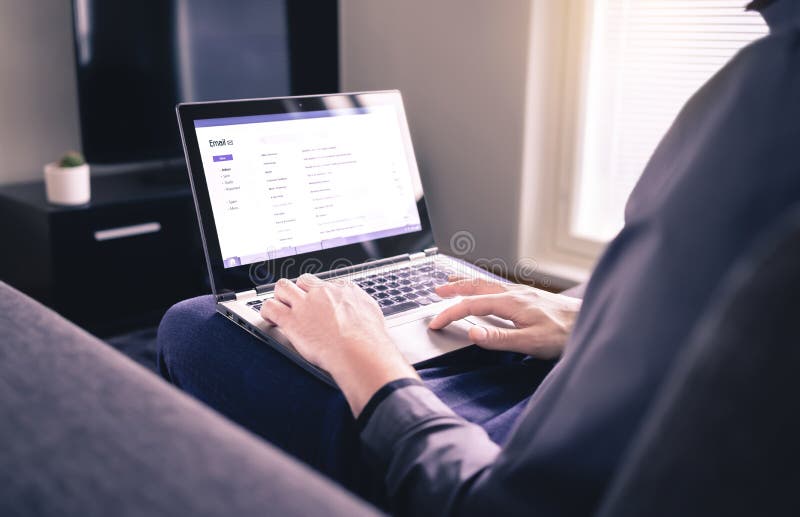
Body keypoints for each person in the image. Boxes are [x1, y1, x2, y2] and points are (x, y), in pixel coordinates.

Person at [158, 0, 800, 515]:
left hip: (491, 456)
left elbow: (498, 500)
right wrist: (586, 323)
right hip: (560, 395)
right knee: (452, 312)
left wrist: (364, 353)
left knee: (191, 324)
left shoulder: (774, 94)